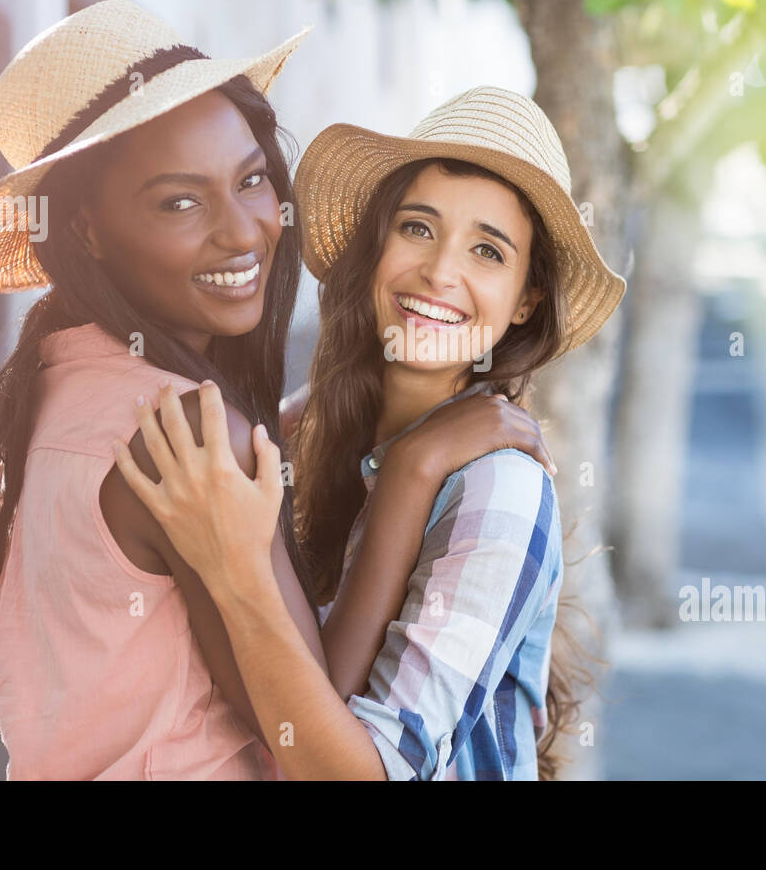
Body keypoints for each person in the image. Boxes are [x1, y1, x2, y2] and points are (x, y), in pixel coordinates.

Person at [0, 2, 551, 779]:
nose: (242, 231)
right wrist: (411, 469)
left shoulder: (51, 388)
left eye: (252, 179)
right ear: (85, 227)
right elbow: (318, 743)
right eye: (180, 201)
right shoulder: (185, 430)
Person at [115, 86, 627, 779]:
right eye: (417, 228)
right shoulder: (309, 428)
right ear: (377, 244)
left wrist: (414, 469)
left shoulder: (499, 487)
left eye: (487, 251)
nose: (441, 271)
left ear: (526, 300)